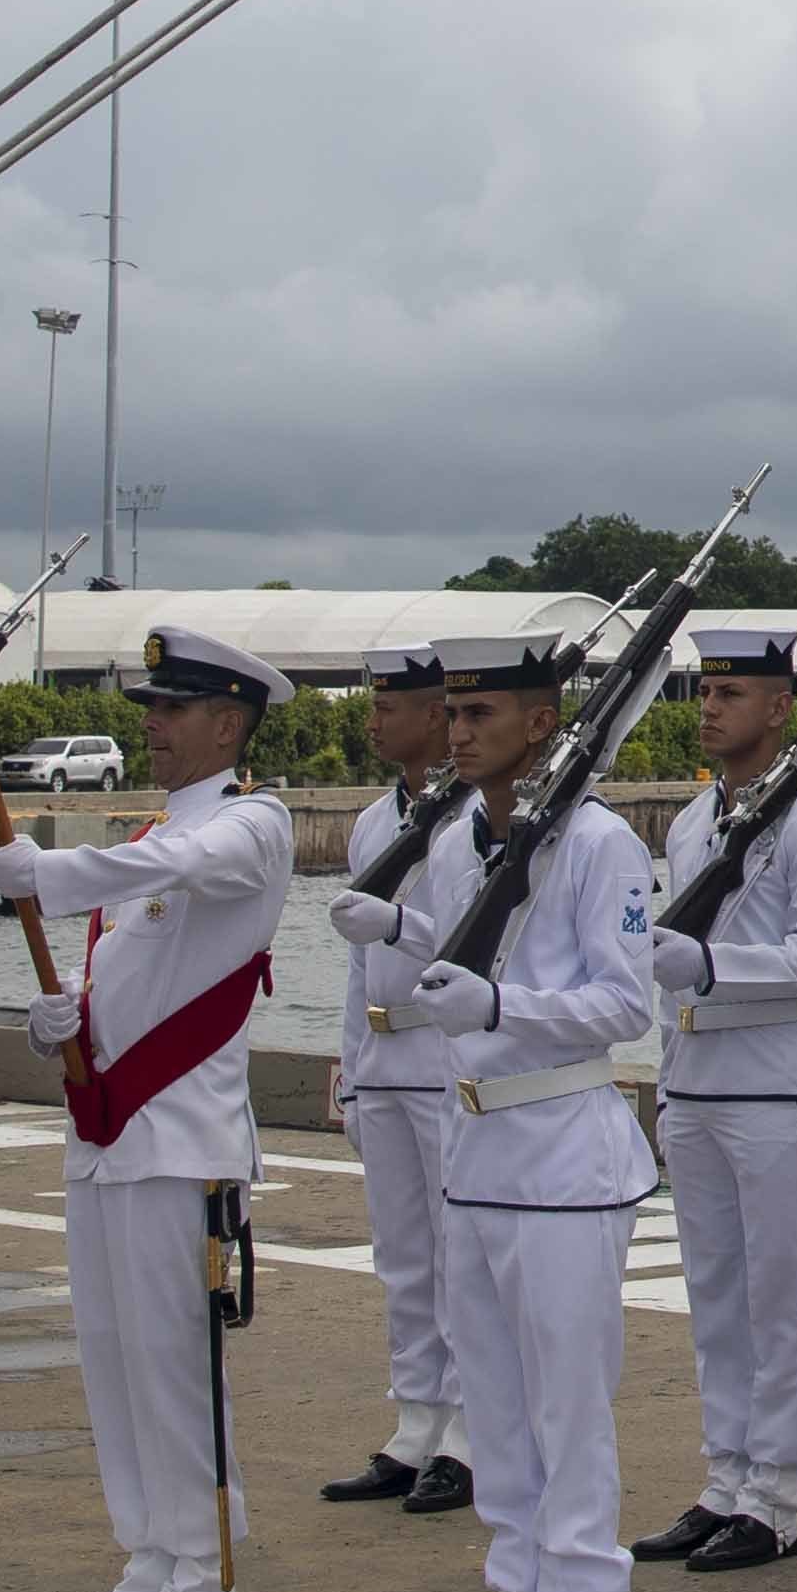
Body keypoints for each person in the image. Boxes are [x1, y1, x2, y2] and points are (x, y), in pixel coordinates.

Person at [364, 637, 664, 1592]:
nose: (456, 729)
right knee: (495, 1420)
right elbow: (448, 986)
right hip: (477, 1152)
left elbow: (620, 1004)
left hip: (566, 1156)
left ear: (543, 723)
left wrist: (500, 999)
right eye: (450, 710)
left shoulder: (599, 846)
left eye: (480, 709)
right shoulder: (455, 846)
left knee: (565, 1418)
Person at [0, 624, 293, 1592]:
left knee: (176, 1374)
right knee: (114, 1364)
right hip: (109, 1134)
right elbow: (145, 970)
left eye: (171, 711)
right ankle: (146, 1567)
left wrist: (48, 870)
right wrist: (72, 1015)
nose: (153, 728)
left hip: (182, 1145)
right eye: (151, 711)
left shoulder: (248, 825)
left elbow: (177, 870)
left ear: (227, 720)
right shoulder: (158, 833)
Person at [643, 616, 797, 1577]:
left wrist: (712, 966)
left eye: (730, 694)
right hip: (695, 1076)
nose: (709, 708)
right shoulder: (694, 821)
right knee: (715, 1293)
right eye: (704, 690)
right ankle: (724, 1477)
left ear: (780, 709)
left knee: (780, 1296)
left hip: (774, 1084)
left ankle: (775, 1498)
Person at [317, 646, 478, 1514]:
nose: (375, 722)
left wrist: (401, 922)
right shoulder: (376, 821)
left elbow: (471, 940)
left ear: (437, 717)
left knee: (458, 1258)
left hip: (441, 1057)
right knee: (402, 1257)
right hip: (385, 1058)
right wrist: (350, 1065)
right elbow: (355, 963)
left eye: (392, 708)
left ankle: (466, 1432)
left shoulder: (471, 822)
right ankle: (415, 1420)